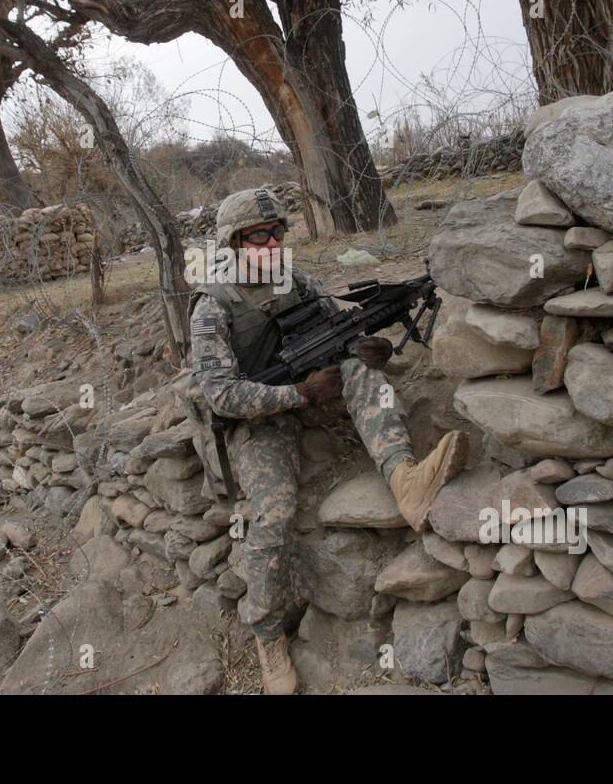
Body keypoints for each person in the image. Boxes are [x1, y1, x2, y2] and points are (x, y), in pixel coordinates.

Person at [187, 187, 467, 695]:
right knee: (273, 514)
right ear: (233, 243)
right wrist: (300, 394)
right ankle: (268, 634)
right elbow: (222, 395)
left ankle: (405, 477)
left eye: (276, 233)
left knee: (362, 369)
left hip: (310, 386)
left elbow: (335, 325)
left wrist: (366, 349)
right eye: (257, 236)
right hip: (258, 418)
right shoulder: (213, 306)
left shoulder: (296, 282)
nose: (271, 243)